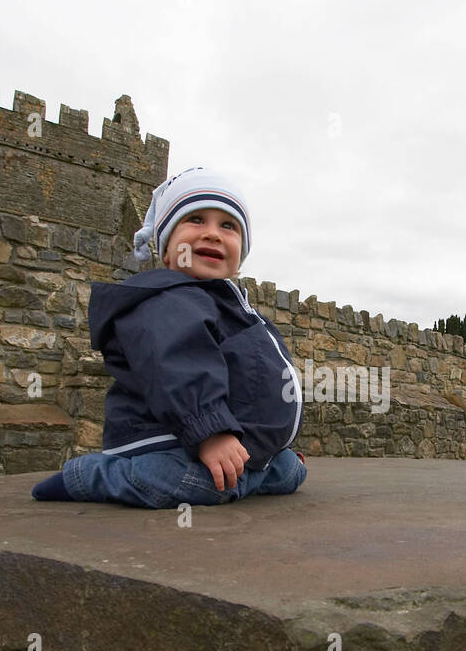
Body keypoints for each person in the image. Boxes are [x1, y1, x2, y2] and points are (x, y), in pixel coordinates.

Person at [31, 166, 306, 507]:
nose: (212, 234)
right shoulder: (166, 298)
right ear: (166, 247)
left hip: (235, 442)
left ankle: (255, 469)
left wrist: (272, 439)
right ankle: (90, 476)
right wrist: (210, 432)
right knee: (198, 485)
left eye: (228, 226)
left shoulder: (236, 309)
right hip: (171, 438)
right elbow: (180, 365)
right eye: (195, 220)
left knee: (289, 471)